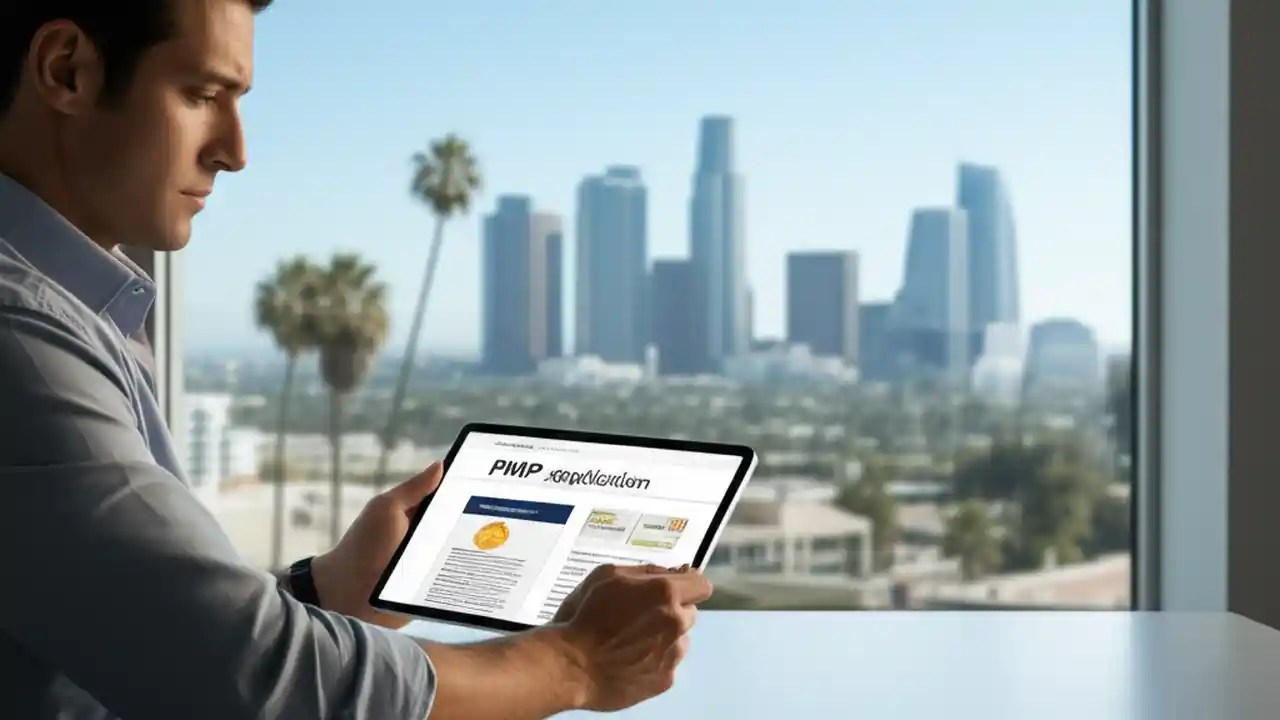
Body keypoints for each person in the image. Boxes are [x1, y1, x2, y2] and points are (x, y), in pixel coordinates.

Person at [0, 2, 714, 718]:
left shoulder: (77, 309)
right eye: (203, 95)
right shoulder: (20, 335)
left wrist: (331, 592)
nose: (234, 149)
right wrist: (573, 664)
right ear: (67, 70)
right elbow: (241, 679)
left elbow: (152, 638)